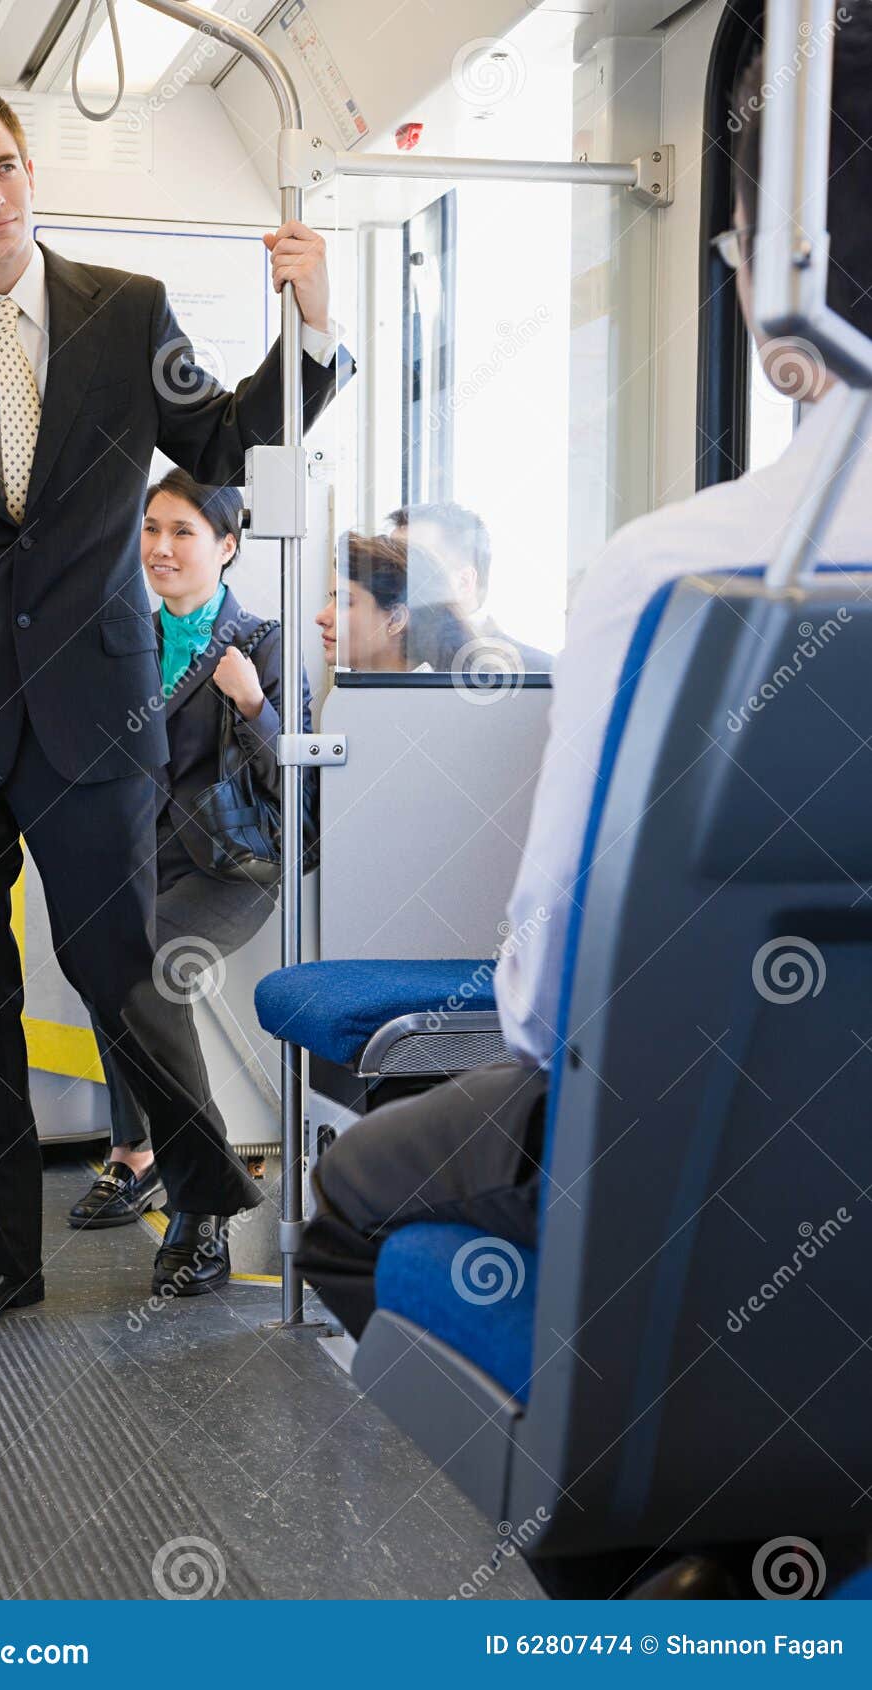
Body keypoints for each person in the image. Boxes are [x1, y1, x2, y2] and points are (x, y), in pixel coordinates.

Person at [298, 5, 872, 1338]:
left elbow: (553, 993)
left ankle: (623, 1505)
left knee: (356, 1196)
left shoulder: (672, 575)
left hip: (709, 1141)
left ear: (756, 265)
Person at [0, 79, 348, 1334]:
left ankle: (202, 1207)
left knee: (122, 970)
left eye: (5, 167)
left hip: (95, 708)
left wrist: (312, 328)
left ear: (27, 169)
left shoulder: (124, 313)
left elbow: (221, 447)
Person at [68, 469, 314, 1294]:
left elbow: (302, 787)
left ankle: (203, 1205)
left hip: (227, 866)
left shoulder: (263, 643)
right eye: (150, 529)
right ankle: (135, 1151)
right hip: (133, 858)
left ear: (228, 546)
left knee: (148, 967)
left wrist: (254, 707)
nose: (160, 548)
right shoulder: (120, 633)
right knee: (108, 963)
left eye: (182, 532)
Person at [388, 500, 553, 673]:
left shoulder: (539, 675)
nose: (390, 578)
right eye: (388, 564)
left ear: (463, 582)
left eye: (415, 564)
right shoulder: (372, 662)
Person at [315, 531, 472, 673]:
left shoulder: (427, 702)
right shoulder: (355, 697)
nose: (321, 618)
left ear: (395, 619)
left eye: (343, 602)